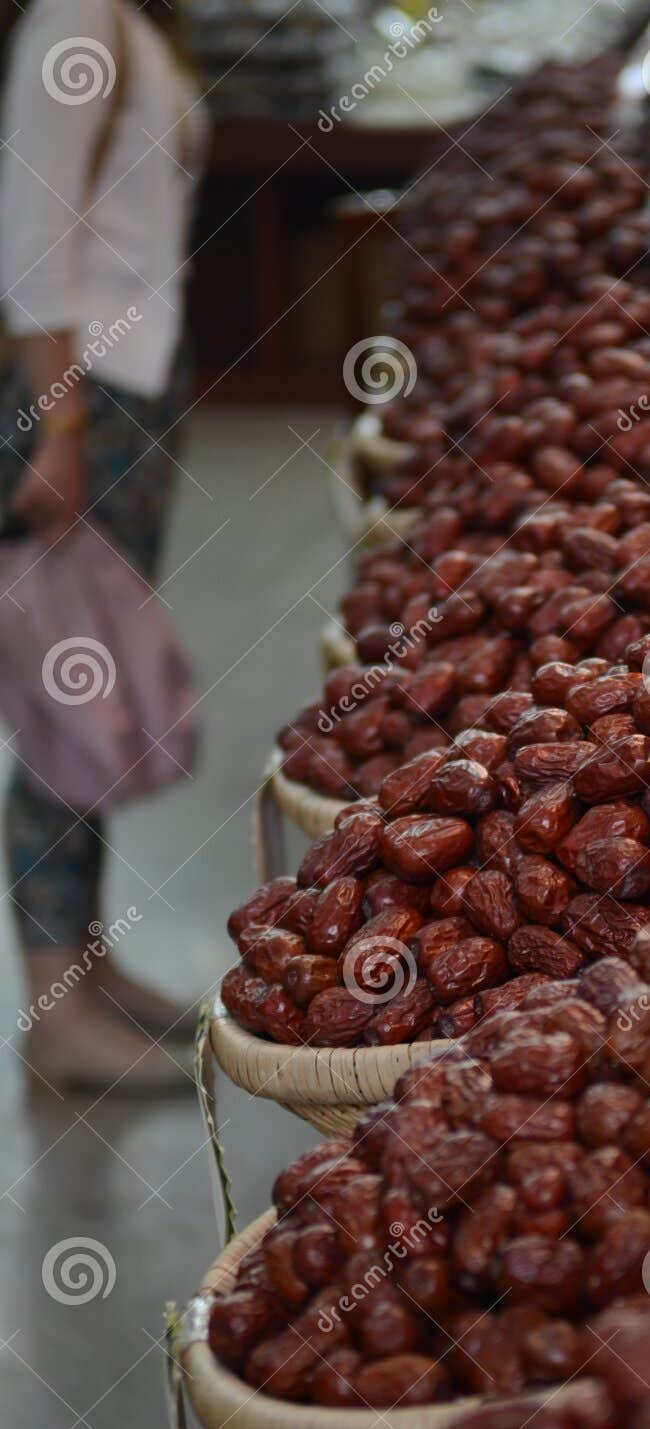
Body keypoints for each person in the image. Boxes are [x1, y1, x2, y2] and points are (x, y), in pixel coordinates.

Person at [0, 0, 209, 1091]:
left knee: (96, 678)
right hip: (80, 406)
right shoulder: (74, 22)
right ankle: (55, 1010)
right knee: (62, 687)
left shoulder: (129, 23)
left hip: (125, 396)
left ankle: (82, 962)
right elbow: (32, 250)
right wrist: (62, 429)